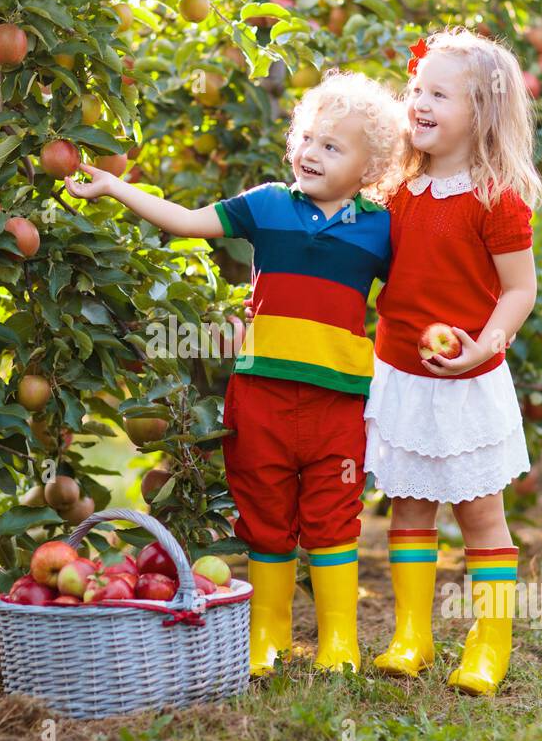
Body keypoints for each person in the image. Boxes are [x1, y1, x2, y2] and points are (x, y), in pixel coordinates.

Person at [66, 71, 404, 675]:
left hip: (337, 401)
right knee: (264, 516)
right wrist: (117, 187)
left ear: (369, 168)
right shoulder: (268, 204)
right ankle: (268, 637)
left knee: (333, 518)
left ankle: (339, 643)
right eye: (307, 138)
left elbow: (417, 294)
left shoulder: (380, 228)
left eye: (333, 146)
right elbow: (184, 220)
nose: (311, 153)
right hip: (261, 397)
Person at [367, 29, 542, 695]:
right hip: (402, 379)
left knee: (479, 514)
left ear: (483, 112)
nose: (418, 102)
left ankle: (487, 642)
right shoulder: (396, 192)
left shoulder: (495, 199)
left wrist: (486, 344)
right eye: (416, 89)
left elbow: (519, 290)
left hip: (468, 381)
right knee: (407, 509)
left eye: (438, 93)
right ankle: (412, 634)